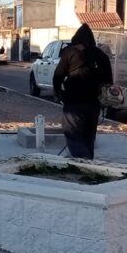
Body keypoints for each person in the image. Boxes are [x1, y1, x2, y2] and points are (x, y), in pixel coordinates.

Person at [52, 23, 113, 159]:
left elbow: (58, 76)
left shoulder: (70, 52)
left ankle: (84, 164)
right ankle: (88, 166)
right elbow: (109, 82)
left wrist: (57, 93)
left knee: (73, 135)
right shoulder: (102, 56)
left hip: (74, 102)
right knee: (88, 137)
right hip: (94, 103)